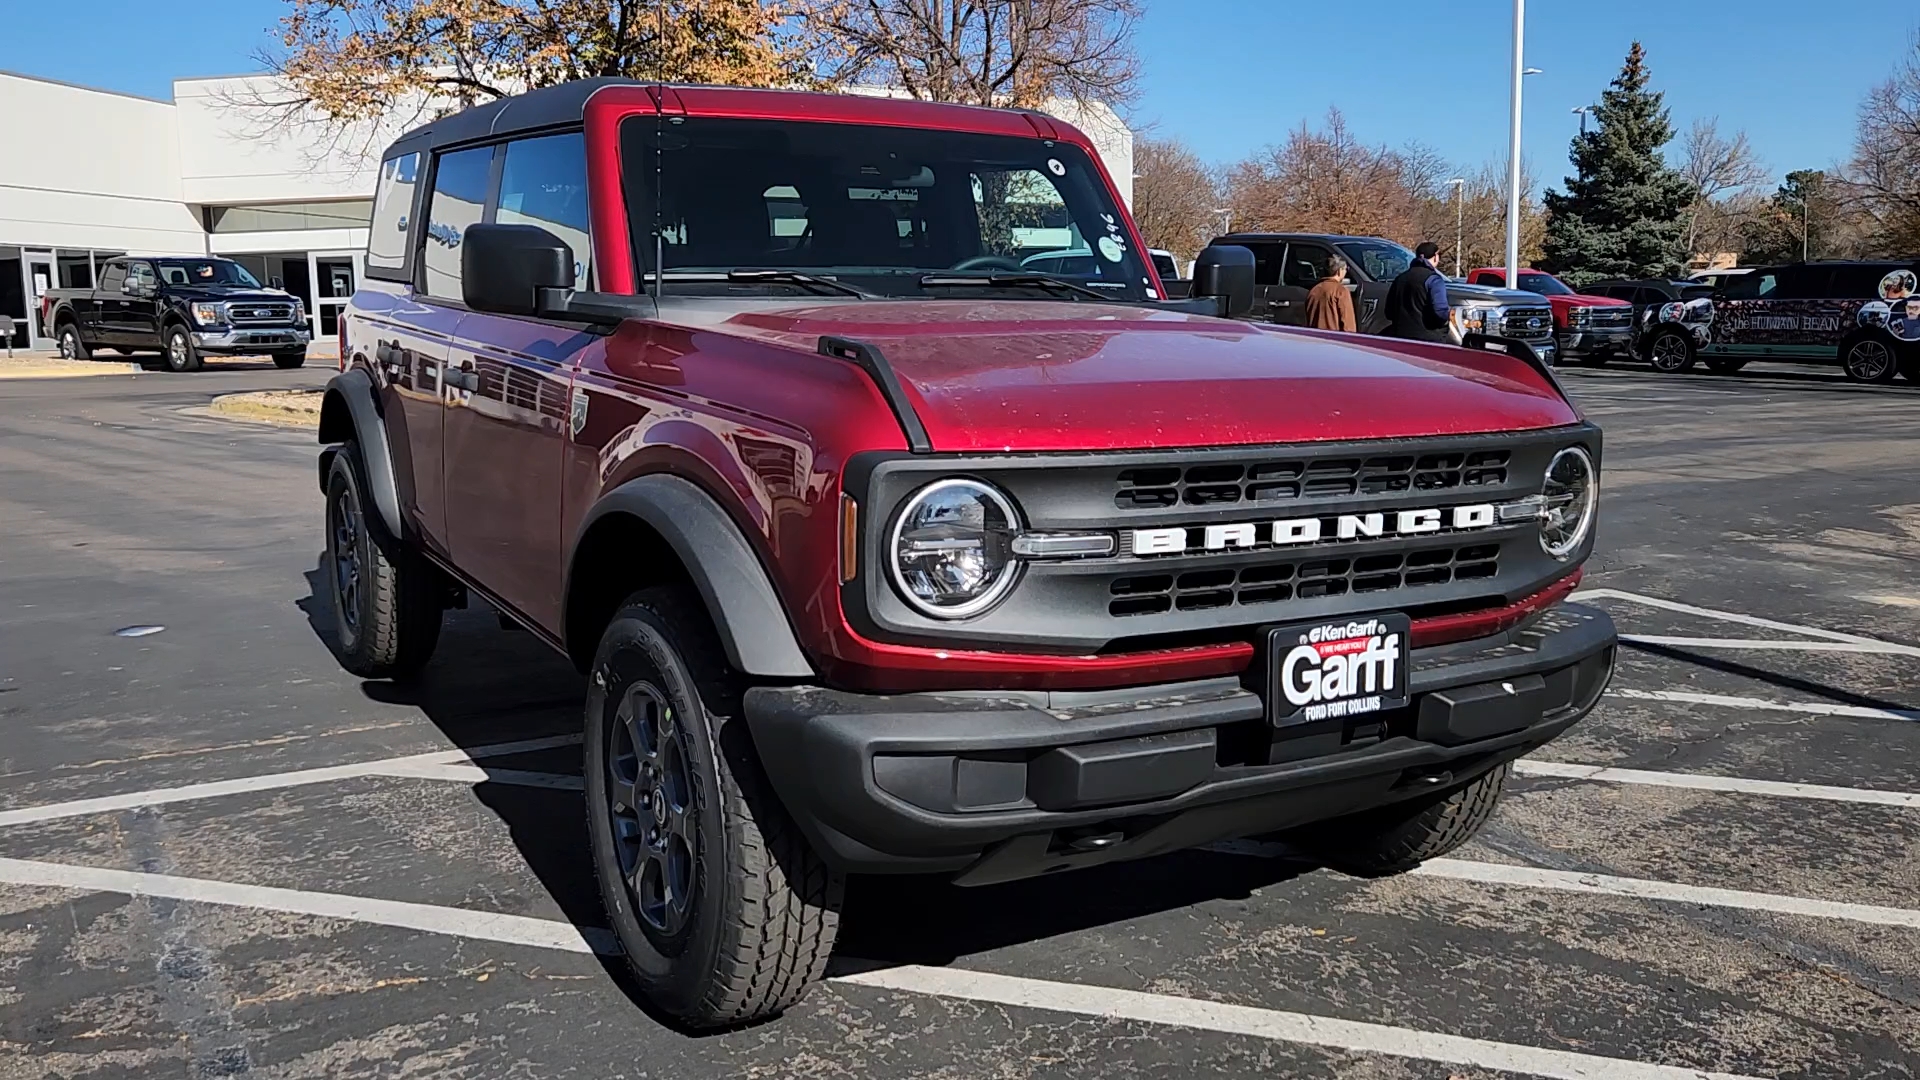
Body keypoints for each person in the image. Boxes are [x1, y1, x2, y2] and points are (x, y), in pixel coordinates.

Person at [1383, 241, 1451, 342]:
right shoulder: (1434, 280)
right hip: (1429, 339)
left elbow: (1389, 312)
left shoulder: (1400, 278)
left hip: (1400, 337)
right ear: (1435, 256)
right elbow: (1441, 313)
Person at [1305, 256, 1357, 332]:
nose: (1346, 272)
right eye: (1346, 269)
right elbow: (1348, 325)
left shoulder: (1314, 290)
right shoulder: (1341, 291)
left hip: (1316, 340)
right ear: (1339, 271)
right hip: (1334, 340)